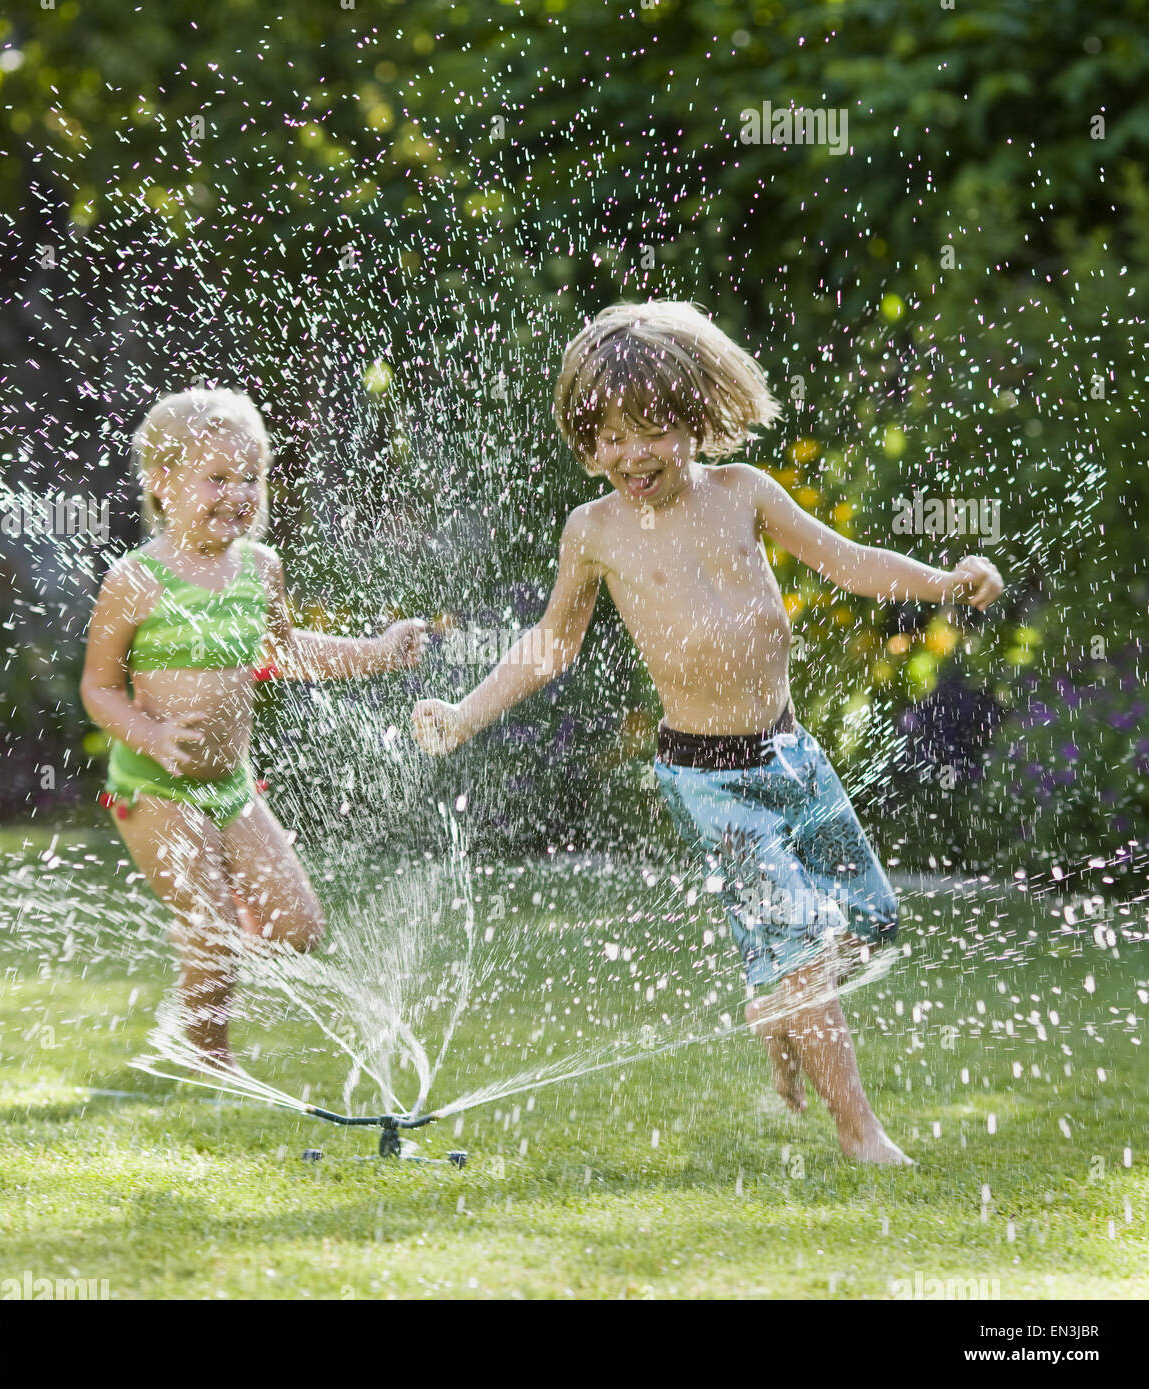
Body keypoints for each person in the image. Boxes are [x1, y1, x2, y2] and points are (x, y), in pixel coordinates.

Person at [411, 302, 1003, 1162]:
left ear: (694, 416)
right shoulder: (595, 531)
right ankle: (859, 1132)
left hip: (792, 755)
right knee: (802, 945)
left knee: (869, 922)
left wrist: (945, 581)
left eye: (650, 428)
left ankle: (777, 997)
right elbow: (552, 644)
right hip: (708, 777)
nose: (630, 455)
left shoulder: (744, 494)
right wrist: (464, 712)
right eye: (606, 438)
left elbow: (849, 562)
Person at [81, 387, 425, 1073]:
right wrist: (148, 736)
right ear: (163, 483)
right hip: (154, 784)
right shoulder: (137, 579)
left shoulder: (260, 569)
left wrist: (380, 651)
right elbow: (97, 687)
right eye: (217, 477)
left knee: (298, 928)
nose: (238, 492)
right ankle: (208, 1055)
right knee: (210, 924)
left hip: (231, 785)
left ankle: (205, 958)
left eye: (250, 477)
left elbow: (284, 651)